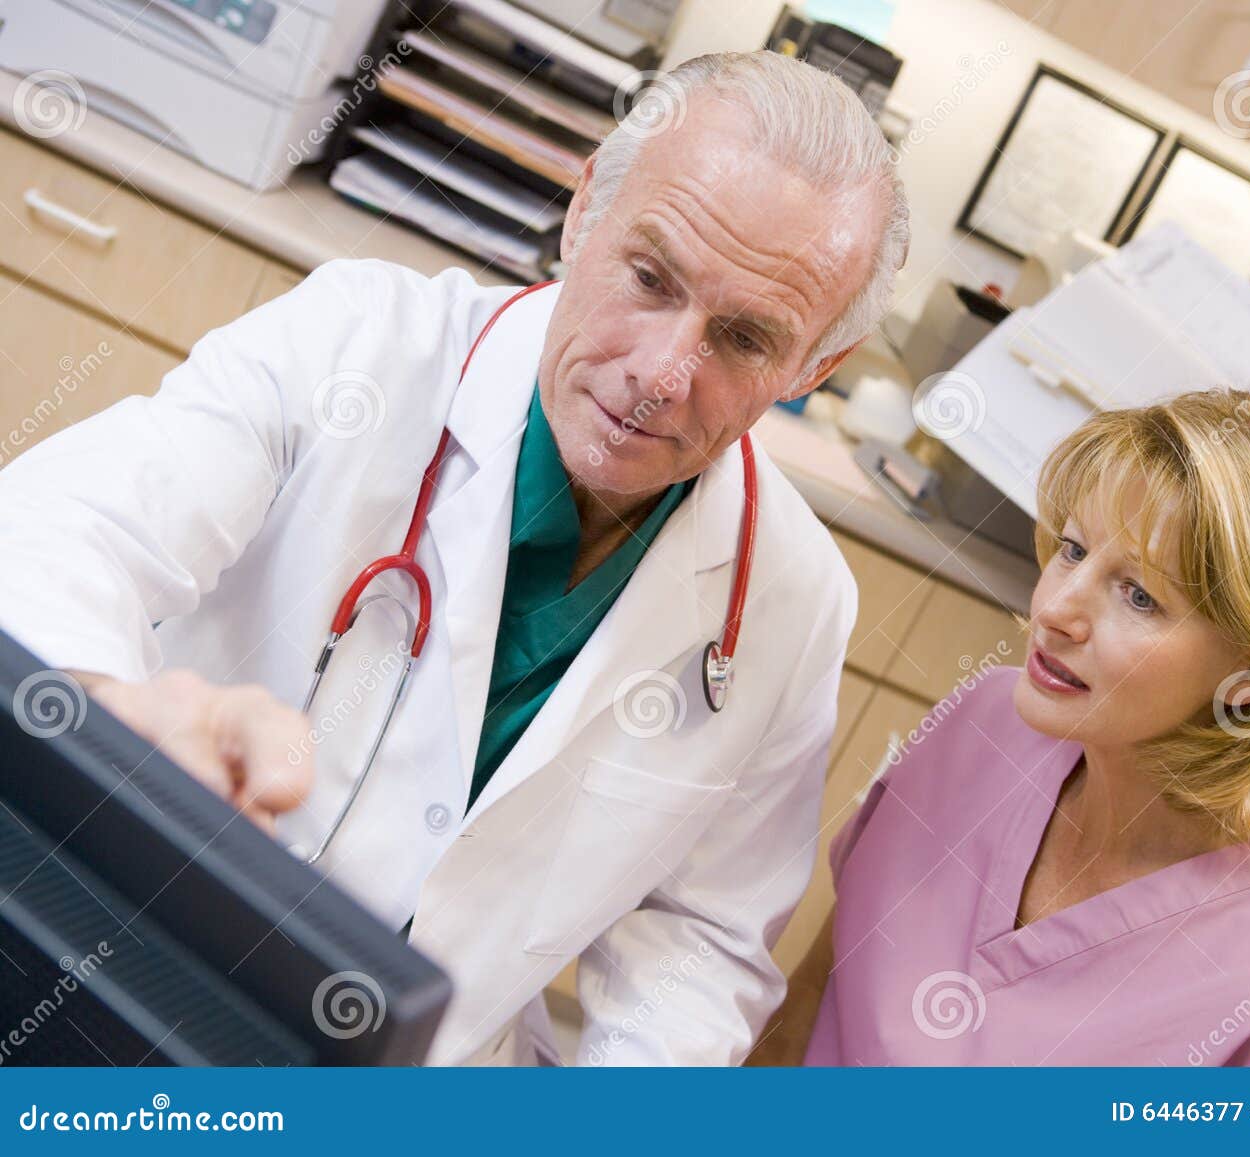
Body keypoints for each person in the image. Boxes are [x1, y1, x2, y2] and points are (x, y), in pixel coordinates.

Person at [0, 51, 910, 1065]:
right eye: (649, 277)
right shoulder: (362, 342)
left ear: (813, 367)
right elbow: (65, 530)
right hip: (142, 954)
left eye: (743, 339)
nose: (661, 374)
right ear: (582, 217)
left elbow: (701, 940)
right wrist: (110, 708)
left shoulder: (793, 598)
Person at [747, 386, 1250, 1066]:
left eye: (1140, 595)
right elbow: (815, 994)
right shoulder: (982, 722)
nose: (1057, 606)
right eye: (1073, 549)